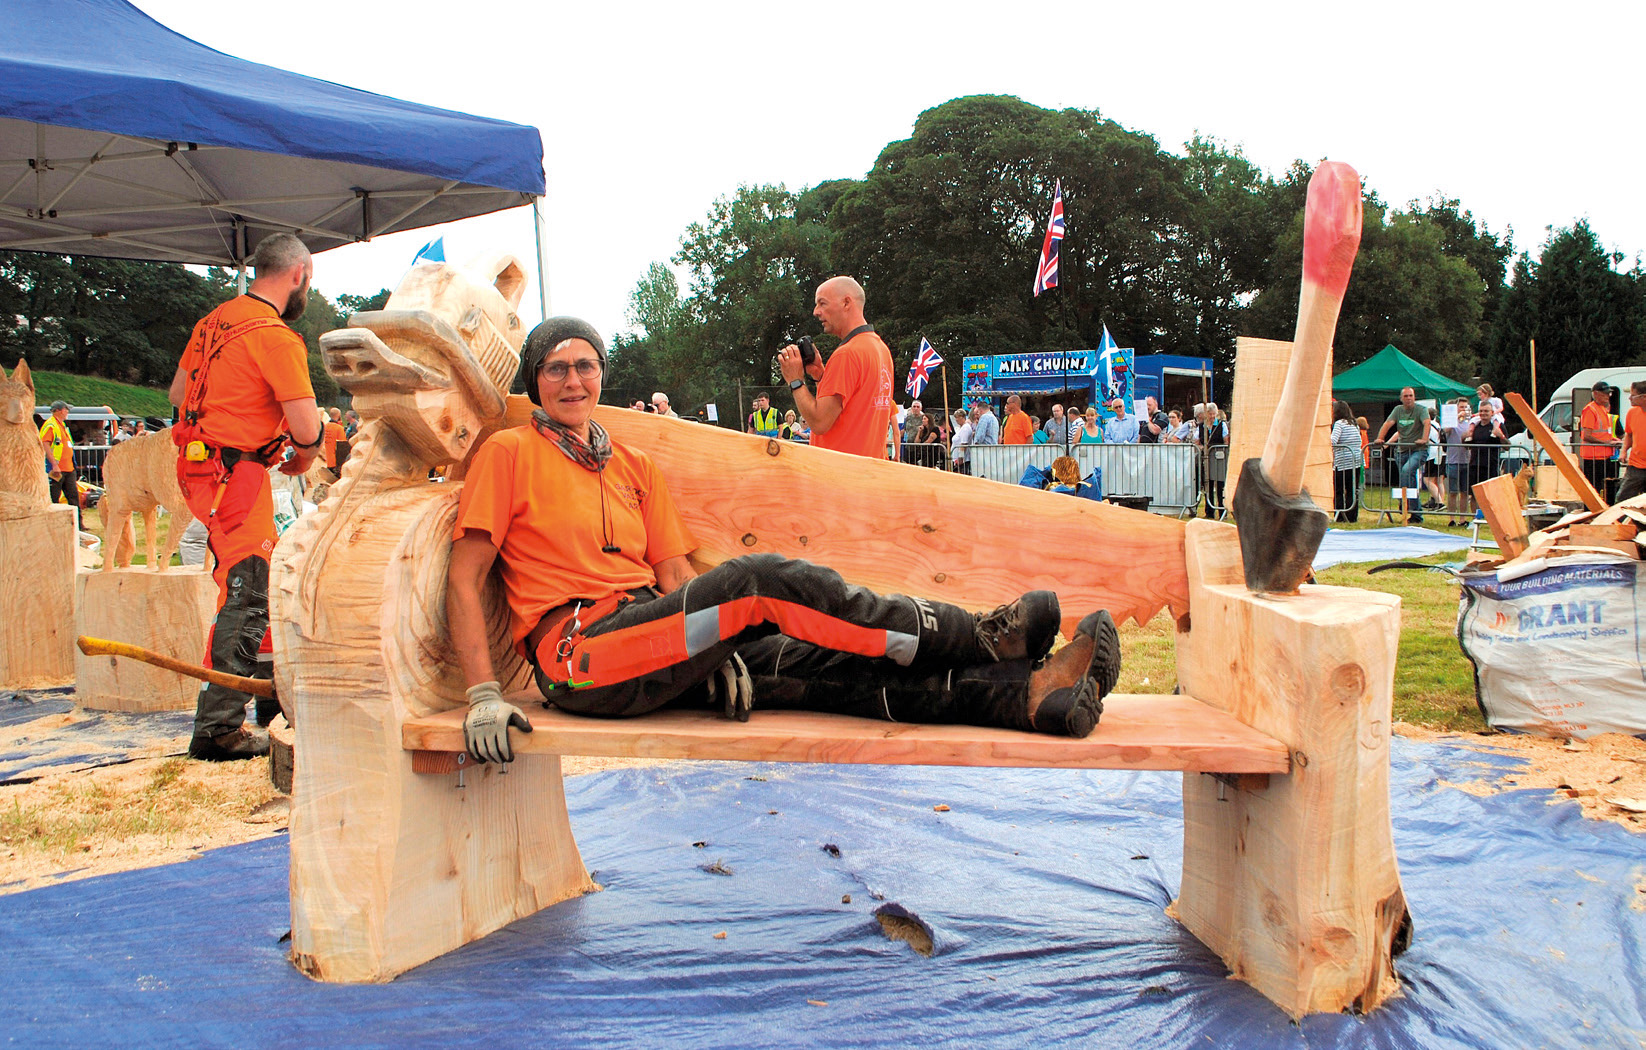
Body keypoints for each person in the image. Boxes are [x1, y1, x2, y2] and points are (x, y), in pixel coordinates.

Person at [445, 318, 1124, 767]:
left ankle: (1027, 696)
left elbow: (675, 574)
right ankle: (974, 633)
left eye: (585, 366)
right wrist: (482, 692)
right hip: (580, 656)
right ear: (535, 379)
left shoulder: (632, 467)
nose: (572, 380)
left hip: (649, 633)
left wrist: (704, 649)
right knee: (759, 581)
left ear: (601, 375)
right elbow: (465, 575)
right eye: (556, 368)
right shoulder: (509, 454)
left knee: (816, 666)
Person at [167, 232, 323, 761]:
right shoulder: (276, 337)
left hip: (203, 467)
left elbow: (177, 394)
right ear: (299, 273)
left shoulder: (213, 321)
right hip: (236, 475)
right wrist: (303, 453)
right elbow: (307, 429)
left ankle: (262, 692)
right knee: (249, 586)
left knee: (253, 576)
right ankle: (217, 728)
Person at [779, 277, 894, 460]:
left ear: (846, 302)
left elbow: (819, 422)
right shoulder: (880, 348)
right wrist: (820, 376)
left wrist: (795, 380)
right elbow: (850, 411)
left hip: (839, 474)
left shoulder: (847, 354)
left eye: (822, 303)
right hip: (868, 471)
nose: (816, 312)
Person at [1373, 387, 1430, 524]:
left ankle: (1405, 504)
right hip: (1402, 450)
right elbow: (1388, 424)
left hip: (1418, 449)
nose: (1409, 398)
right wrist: (1380, 438)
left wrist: (1424, 439)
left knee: (1406, 471)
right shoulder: (1398, 410)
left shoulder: (1421, 410)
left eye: (1411, 395)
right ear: (1401, 398)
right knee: (1407, 479)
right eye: (1406, 396)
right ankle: (1412, 510)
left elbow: (1427, 423)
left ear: (1414, 397)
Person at [1578, 381, 1621, 504]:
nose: (1608, 397)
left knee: (1607, 487)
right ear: (1596, 394)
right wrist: (1607, 443)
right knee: (1594, 489)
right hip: (1593, 457)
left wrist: (1613, 440)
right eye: (1605, 394)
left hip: (1604, 456)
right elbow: (1587, 436)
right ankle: (1592, 513)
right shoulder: (1590, 410)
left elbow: (1604, 433)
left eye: (1609, 394)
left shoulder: (1602, 410)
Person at [39, 400, 79, 510]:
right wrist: (54, 465)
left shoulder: (62, 425)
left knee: (73, 497)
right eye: (66, 410)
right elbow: (45, 444)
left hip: (69, 468)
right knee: (54, 498)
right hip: (56, 469)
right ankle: (52, 523)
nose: (67, 412)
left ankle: (77, 523)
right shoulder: (51, 425)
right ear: (59, 411)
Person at [1441, 398, 1474, 517]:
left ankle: (1463, 518)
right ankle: (1452, 518)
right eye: (1461, 407)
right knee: (1453, 492)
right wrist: (1457, 417)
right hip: (1453, 461)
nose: (1464, 410)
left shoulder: (1470, 422)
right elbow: (1446, 430)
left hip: (1466, 460)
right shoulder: (1451, 422)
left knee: (1465, 492)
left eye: (1466, 407)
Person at [1329, 399, 1361, 523]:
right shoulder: (1354, 423)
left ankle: (1340, 516)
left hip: (1342, 462)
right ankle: (1352, 516)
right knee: (1352, 490)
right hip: (1356, 461)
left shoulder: (1339, 424)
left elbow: (1333, 440)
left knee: (1339, 490)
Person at [1465, 399, 1506, 492]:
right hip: (1474, 465)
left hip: (1491, 466)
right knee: (1474, 495)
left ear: (1492, 412)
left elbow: (1507, 447)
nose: (1483, 413)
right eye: (1481, 411)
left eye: (1486, 411)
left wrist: (1502, 436)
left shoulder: (1498, 425)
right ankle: (1475, 508)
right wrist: (1463, 438)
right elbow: (1467, 446)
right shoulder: (1475, 426)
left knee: (1490, 495)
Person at [1617, 381, 1646, 503]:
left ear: (1644, 397)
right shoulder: (1632, 413)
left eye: (1633, 395)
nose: (1629, 398)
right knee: (1623, 498)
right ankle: (1620, 521)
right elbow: (1629, 434)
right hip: (1636, 465)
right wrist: (1623, 451)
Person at [950, 408, 973, 472]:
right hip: (956, 459)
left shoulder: (965, 428)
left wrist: (960, 458)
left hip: (962, 460)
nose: (956, 419)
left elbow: (963, 444)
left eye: (958, 417)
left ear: (963, 417)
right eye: (955, 417)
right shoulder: (961, 428)